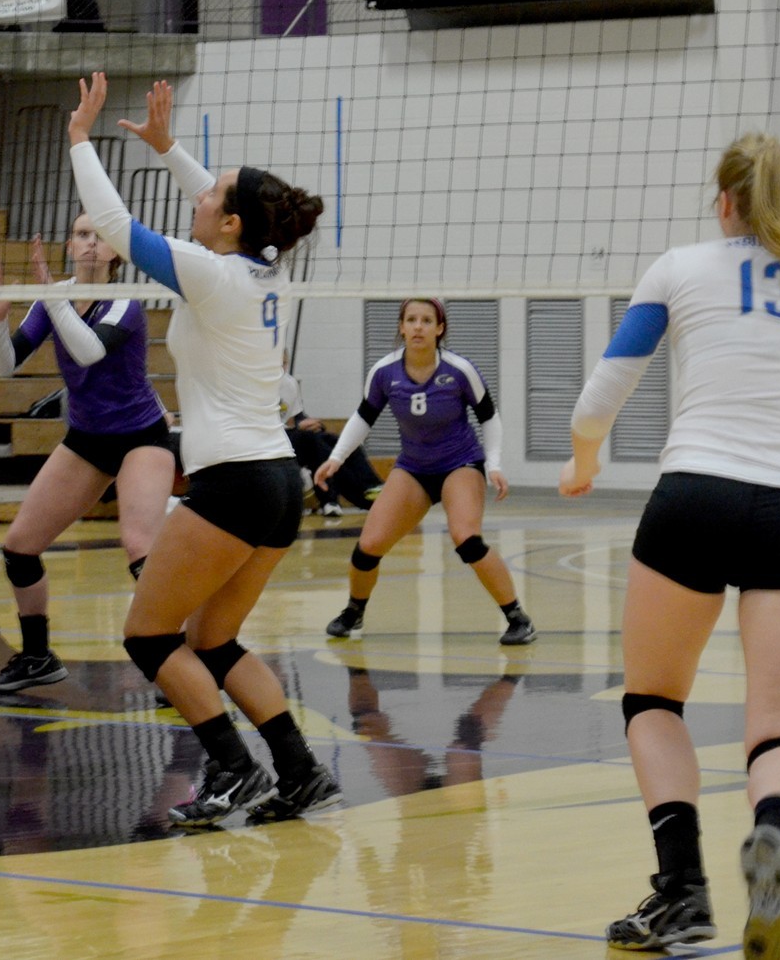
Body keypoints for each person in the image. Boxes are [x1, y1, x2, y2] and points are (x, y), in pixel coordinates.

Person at [559, 134, 780, 956]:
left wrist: (584, 464)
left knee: (653, 702)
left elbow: (598, 401)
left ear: (724, 199)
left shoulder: (680, 267)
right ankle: (775, 841)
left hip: (692, 497)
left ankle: (681, 892)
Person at [70, 72, 340, 827]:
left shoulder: (212, 274)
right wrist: (169, 150)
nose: (198, 195)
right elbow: (224, 207)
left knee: (148, 637)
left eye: (209, 193)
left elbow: (116, 227)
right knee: (214, 640)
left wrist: (80, 141)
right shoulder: (259, 267)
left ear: (228, 224)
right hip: (278, 483)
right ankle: (299, 772)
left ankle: (231, 769)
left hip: (232, 483)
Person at [0, 218, 174, 694]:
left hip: (141, 435)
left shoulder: (124, 300)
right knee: (19, 547)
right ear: (69, 244)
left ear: (114, 251)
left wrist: (52, 296)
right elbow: (4, 367)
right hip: (86, 438)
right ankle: (38, 657)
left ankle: (175, 661)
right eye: (81, 234)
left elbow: (87, 351)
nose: (89, 242)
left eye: (98, 235)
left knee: (139, 546)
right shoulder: (55, 295)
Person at [316, 298, 532, 645]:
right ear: (401, 327)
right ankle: (354, 612)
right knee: (368, 545)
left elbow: (489, 416)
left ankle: (517, 617)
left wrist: (493, 464)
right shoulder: (385, 371)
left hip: (459, 463)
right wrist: (337, 457)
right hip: (414, 467)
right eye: (411, 320)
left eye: (427, 320)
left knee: (466, 539)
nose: (418, 326)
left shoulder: (460, 370)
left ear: (439, 329)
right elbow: (363, 417)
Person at [280, 361, 383, 517]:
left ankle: (373, 487)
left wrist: (311, 424)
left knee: (340, 443)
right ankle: (332, 500)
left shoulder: (289, 383)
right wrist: (299, 428)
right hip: (271, 441)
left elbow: (297, 417)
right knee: (315, 443)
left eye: (283, 363)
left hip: (293, 436)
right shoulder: (258, 385)